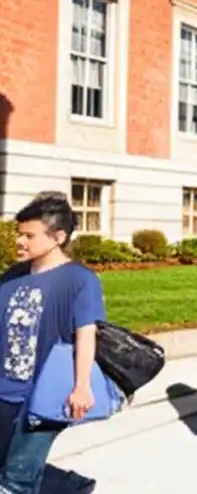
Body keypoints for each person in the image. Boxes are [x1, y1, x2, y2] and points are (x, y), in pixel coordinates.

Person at [0, 193, 105, 492]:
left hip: (41, 396)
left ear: (58, 237)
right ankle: (69, 486)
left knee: (16, 479)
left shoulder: (79, 279)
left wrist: (82, 386)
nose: (19, 241)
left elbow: (86, 333)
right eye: (19, 234)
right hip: (3, 390)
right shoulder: (13, 276)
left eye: (29, 236)